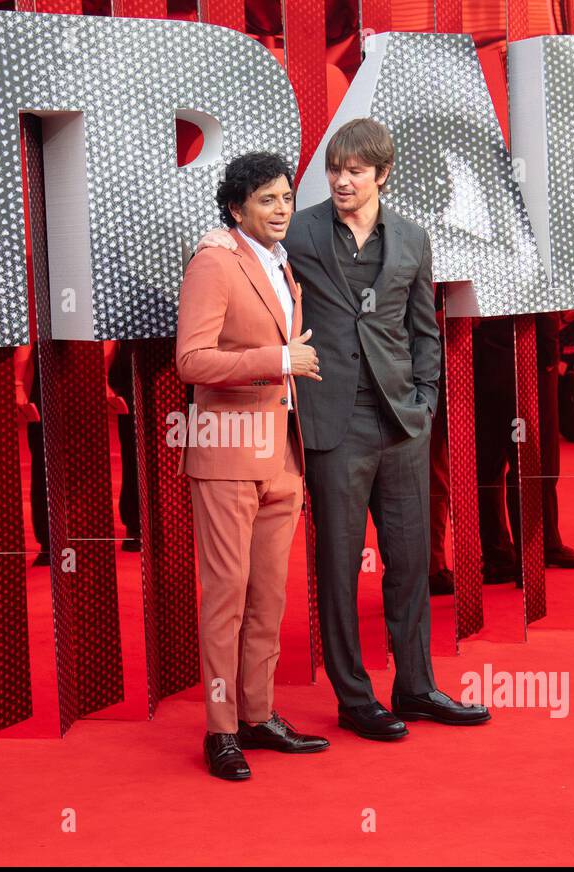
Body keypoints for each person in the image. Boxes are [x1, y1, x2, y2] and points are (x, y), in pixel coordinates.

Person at [199, 119, 489, 740]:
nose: (342, 181)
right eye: (334, 170)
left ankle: (415, 687)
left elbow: (423, 330)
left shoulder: (412, 239)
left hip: (402, 423)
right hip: (332, 424)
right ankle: (354, 698)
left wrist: (425, 402)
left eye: (356, 171)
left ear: (382, 175)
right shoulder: (297, 230)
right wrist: (218, 240)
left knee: (410, 563)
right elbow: (241, 249)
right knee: (337, 568)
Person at [176, 151, 330, 781]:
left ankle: (259, 715)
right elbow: (192, 360)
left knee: (269, 598)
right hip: (226, 453)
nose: (282, 209)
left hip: (281, 455)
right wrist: (276, 359)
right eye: (267, 200)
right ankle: (221, 731)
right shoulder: (215, 261)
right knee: (227, 601)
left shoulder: (281, 266)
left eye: (286, 198)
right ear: (236, 208)